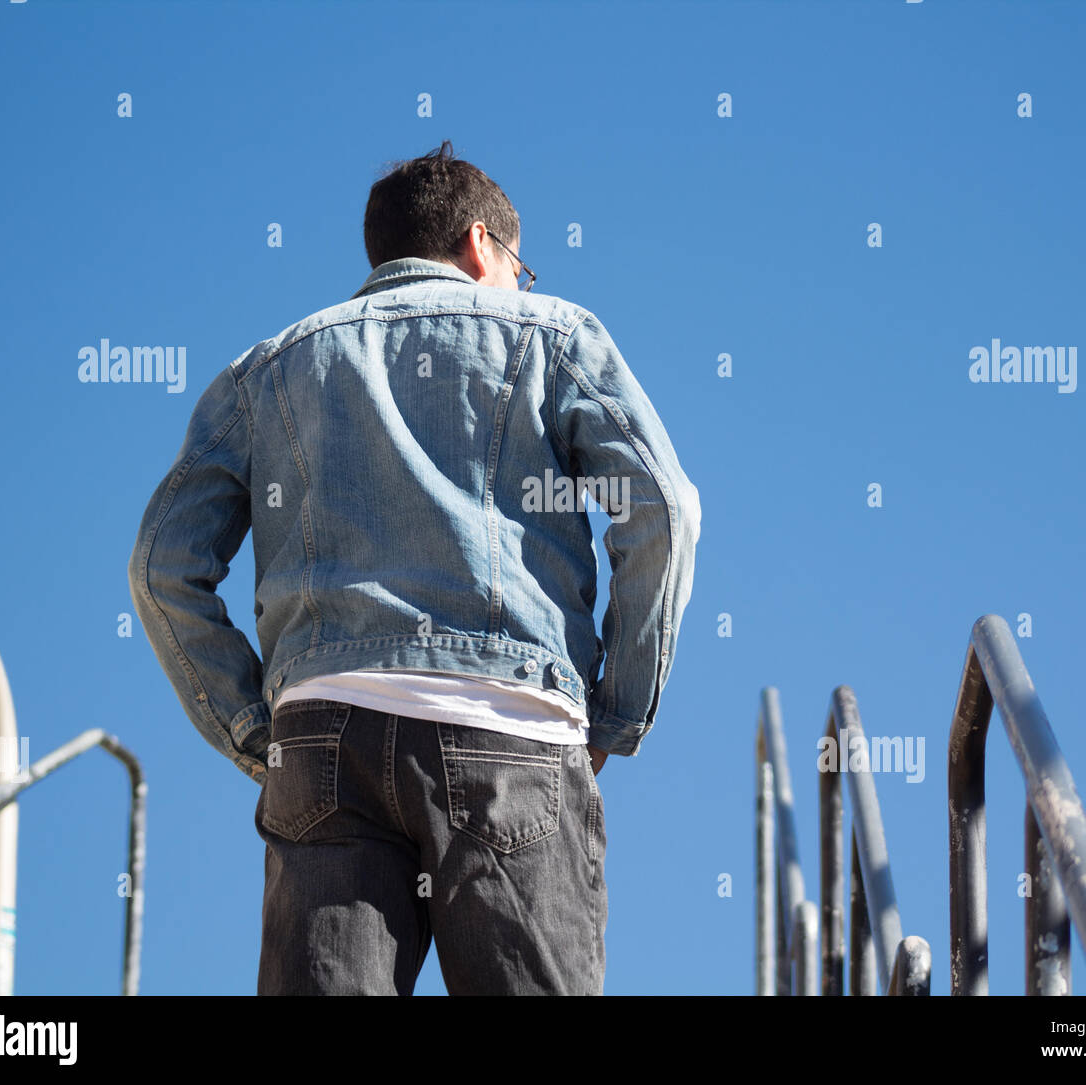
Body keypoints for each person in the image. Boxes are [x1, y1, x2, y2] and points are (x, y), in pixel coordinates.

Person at [127, 139, 701, 995]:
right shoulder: (556, 336)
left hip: (323, 740)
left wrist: (256, 729)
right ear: (481, 246)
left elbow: (160, 566)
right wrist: (613, 714)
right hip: (510, 729)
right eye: (523, 268)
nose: (523, 288)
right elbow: (661, 509)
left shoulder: (267, 371)